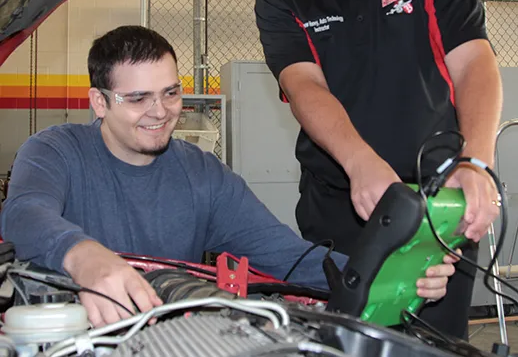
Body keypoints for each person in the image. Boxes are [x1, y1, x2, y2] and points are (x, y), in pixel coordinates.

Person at [0, 25, 455, 328]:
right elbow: (24, 213)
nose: (160, 113)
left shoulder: (202, 175)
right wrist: (86, 259)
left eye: (171, 92)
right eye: (138, 98)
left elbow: (287, 257)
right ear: (99, 103)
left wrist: (382, 274)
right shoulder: (55, 151)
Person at [254, 0, 503, 340]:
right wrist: (358, 161)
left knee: (433, 344)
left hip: (436, 205)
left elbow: (474, 62)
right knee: (344, 343)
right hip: (343, 208)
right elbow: (305, 86)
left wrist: (476, 161)